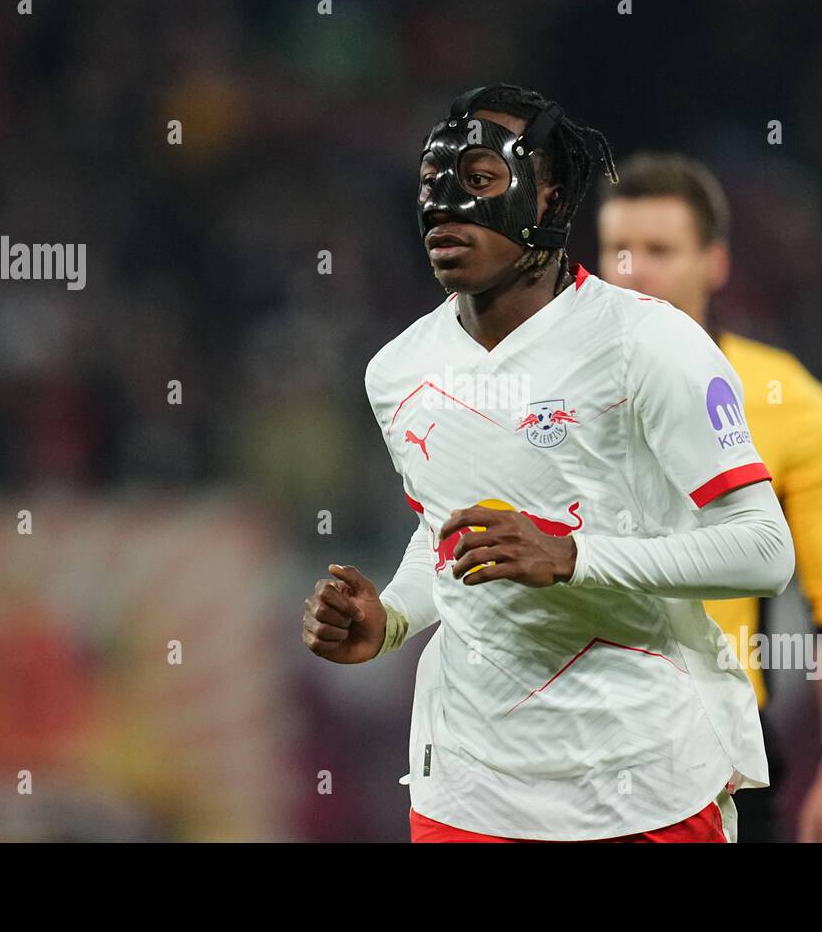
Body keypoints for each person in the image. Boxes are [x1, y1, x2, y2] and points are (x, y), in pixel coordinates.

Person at [301, 84, 794, 843]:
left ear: (549, 194)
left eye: (477, 179)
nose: (444, 205)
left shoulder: (647, 345)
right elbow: (446, 538)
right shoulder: (396, 371)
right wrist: (394, 618)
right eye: (433, 183)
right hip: (468, 786)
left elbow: (765, 551)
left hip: (643, 776)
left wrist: (572, 557)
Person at [597, 153, 822, 842]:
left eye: (660, 250)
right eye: (617, 251)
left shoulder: (792, 407)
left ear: (715, 262)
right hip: (573, 741)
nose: (636, 271)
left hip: (718, 752)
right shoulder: (544, 398)